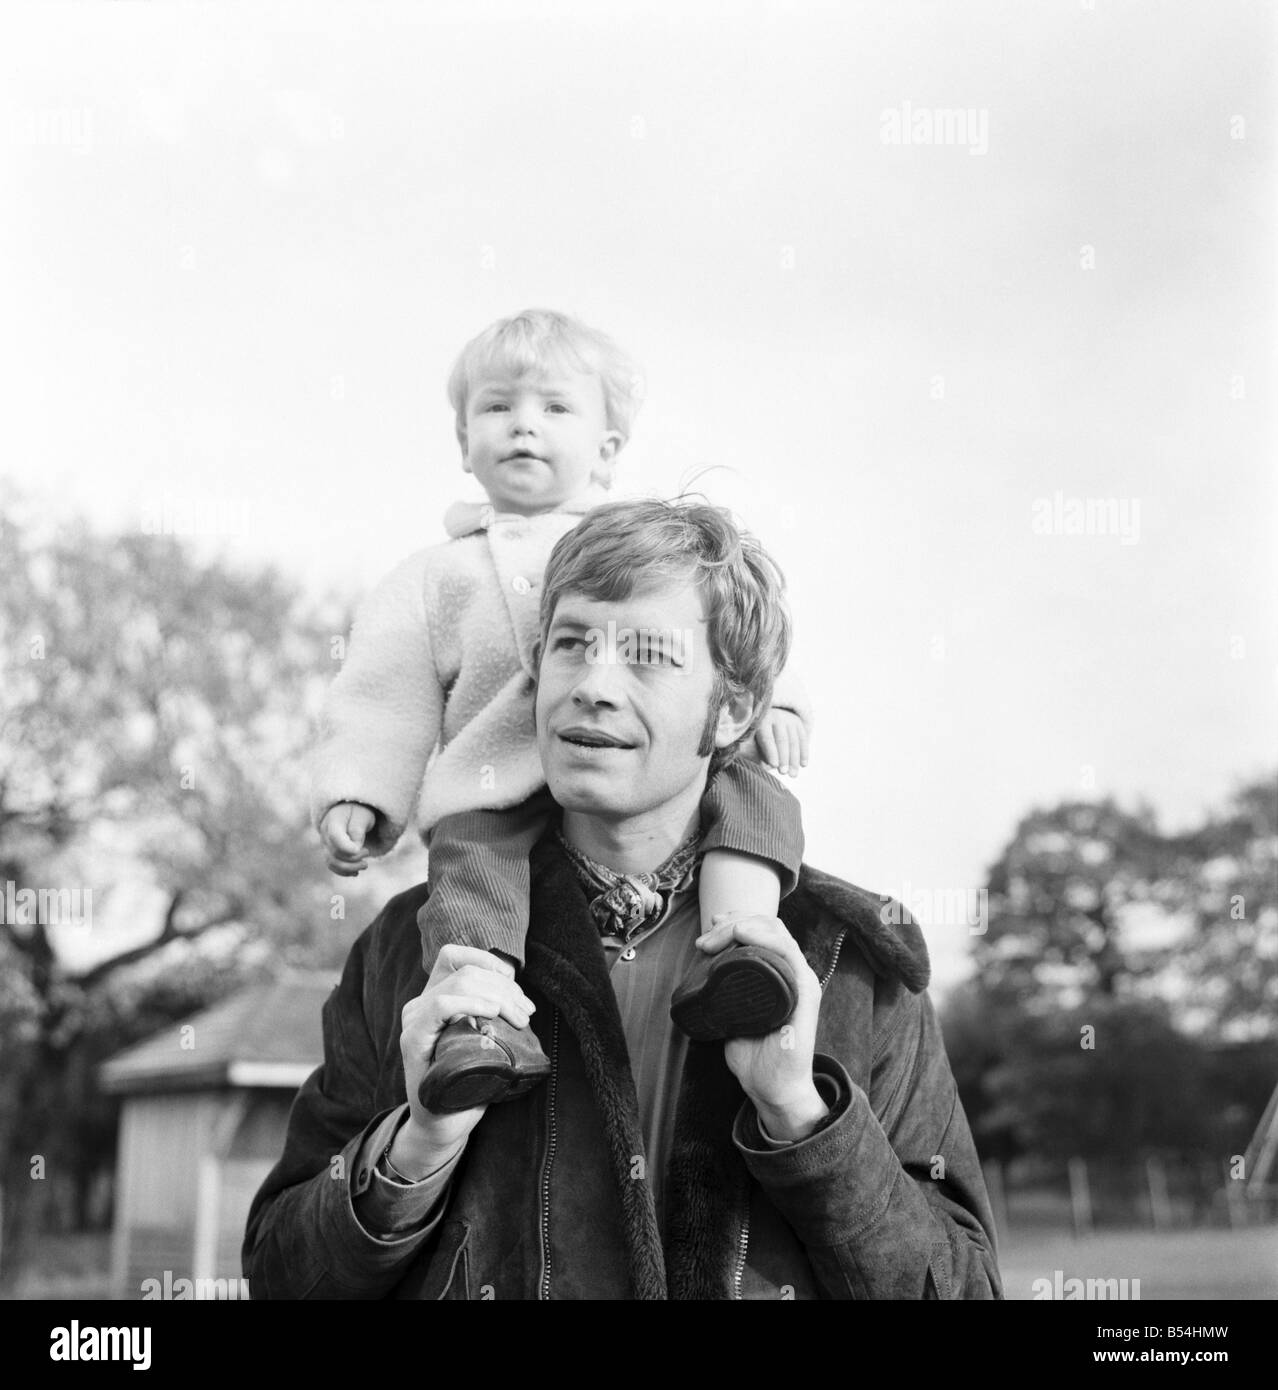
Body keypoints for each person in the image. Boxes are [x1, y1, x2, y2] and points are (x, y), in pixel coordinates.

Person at [244, 499, 1002, 1300]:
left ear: (735, 708)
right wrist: (415, 1149)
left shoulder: (850, 960)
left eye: (648, 655)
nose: (592, 686)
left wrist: (801, 1115)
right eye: (571, 646)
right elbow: (278, 1277)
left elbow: (963, 1292)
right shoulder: (413, 948)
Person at [310, 309, 814, 1114]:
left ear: (609, 449)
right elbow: (385, 691)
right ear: (462, 440)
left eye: (555, 408)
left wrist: (771, 707)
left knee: (756, 799)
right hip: (495, 779)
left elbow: (721, 628)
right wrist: (362, 791)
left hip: (646, 774)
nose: (523, 427)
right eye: (498, 407)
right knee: (470, 870)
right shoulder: (437, 577)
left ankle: (739, 952)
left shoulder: (635, 548)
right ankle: (478, 1019)